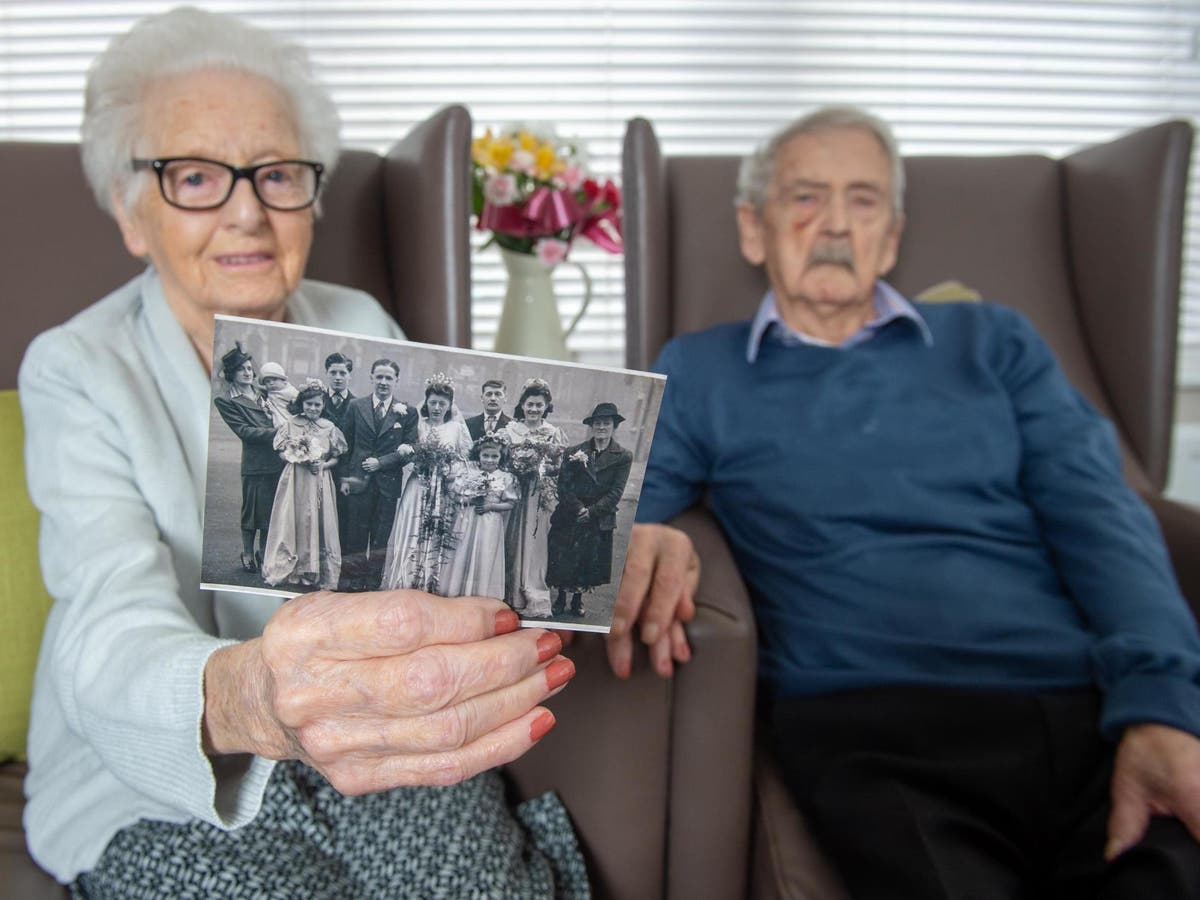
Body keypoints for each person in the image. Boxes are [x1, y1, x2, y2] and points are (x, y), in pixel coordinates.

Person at [17, 8, 583, 897]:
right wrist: (251, 697)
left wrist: (620, 537)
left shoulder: (356, 323)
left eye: (277, 175)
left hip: (377, 717)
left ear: (311, 199)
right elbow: (104, 615)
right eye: (194, 177)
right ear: (134, 216)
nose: (246, 212)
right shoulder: (78, 367)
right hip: (163, 766)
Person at [620, 105, 1200, 898]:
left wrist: (1161, 707)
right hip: (869, 722)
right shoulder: (700, 367)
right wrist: (654, 531)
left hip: (1074, 700)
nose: (834, 224)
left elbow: (1101, 516)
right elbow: (623, 501)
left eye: (862, 201)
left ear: (890, 238)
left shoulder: (994, 342)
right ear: (753, 230)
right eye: (804, 197)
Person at [379, 372, 473, 593]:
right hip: (418, 486)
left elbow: (466, 459)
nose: (437, 408)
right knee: (412, 527)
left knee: (437, 531)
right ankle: (406, 578)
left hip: (443, 489)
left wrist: (449, 470)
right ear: (427, 403)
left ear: (450, 405)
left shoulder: (456, 429)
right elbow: (408, 451)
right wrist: (418, 462)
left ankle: (431, 581)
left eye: (442, 403)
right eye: (433, 403)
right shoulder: (418, 426)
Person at [336, 357, 418, 591]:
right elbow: (344, 446)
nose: (383, 382)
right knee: (355, 536)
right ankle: (350, 583)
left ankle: (372, 585)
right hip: (357, 482)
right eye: (379, 377)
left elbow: (411, 448)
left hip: (387, 484)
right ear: (371, 378)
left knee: (380, 539)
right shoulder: (356, 406)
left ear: (396, 381)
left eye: (388, 378)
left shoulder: (407, 412)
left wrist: (380, 463)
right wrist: (344, 478)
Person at [546, 403, 633, 618]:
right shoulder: (573, 452)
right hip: (571, 511)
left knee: (587, 559)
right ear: (591, 426)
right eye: (597, 423)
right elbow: (563, 485)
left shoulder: (623, 456)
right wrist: (578, 508)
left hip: (598, 516)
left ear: (614, 427)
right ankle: (560, 598)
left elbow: (616, 491)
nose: (601, 427)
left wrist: (592, 512)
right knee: (565, 556)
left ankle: (578, 600)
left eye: (606, 423)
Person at [259, 382, 347, 590]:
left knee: (316, 520)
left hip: (319, 479)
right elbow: (280, 451)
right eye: (309, 404)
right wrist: (295, 456)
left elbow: (336, 457)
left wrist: (323, 465)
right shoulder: (291, 424)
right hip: (296, 478)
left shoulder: (329, 427)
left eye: (317, 405)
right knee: (295, 518)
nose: (313, 409)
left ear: (323, 405)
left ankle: (313, 570)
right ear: (302, 404)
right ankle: (293, 568)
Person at [213, 343, 285, 573]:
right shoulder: (227, 401)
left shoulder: (264, 392)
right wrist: (279, 432)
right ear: (231, 374)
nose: (247, 372)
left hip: (278, 459)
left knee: (270, 510)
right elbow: (244, 431)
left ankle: (263, 552)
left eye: (249, 368)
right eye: (241, 369)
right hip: (255, 463)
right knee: (252, 511)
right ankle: (246, 551)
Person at [504, 378, 567, 619]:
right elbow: (503, 460)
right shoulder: (510, 430)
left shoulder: (552, 433)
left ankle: (530, 591)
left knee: (534, 542)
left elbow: (557, 467)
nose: (533, 409)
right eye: (530, 404)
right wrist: (518, 467)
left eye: (539, 405)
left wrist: (541, 468)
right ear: (522, 405)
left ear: (546, 407)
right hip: (514, 492)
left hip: (537, 495)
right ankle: (510, 592)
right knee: (511, 539)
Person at [445, 434, 520, 599]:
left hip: (489, 521)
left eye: (494, 456)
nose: (489, 460)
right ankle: (458, 590)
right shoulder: (468, 473)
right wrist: (470, 499)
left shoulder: (506, 477)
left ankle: (482, 594)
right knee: (463, 551)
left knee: (485, 554)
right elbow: (455, 497)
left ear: (501, 457)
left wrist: (491, 506)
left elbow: (511, 503)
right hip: (468, 519)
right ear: (478, 455)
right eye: (485, 455)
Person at [321, 350, 355, 431]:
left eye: (342, 373)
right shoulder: (317, 400)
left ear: (350, 375)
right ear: (326, 373)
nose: (337, 378)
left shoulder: (356, 405)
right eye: (333, 373)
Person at [257, 360, 297, 426]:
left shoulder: (289, 391)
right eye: (267, 381)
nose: (271, 383)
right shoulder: (269, 392)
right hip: (277, 421)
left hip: (289, 419)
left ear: (283, 380)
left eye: (274, 379)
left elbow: (299, 399)